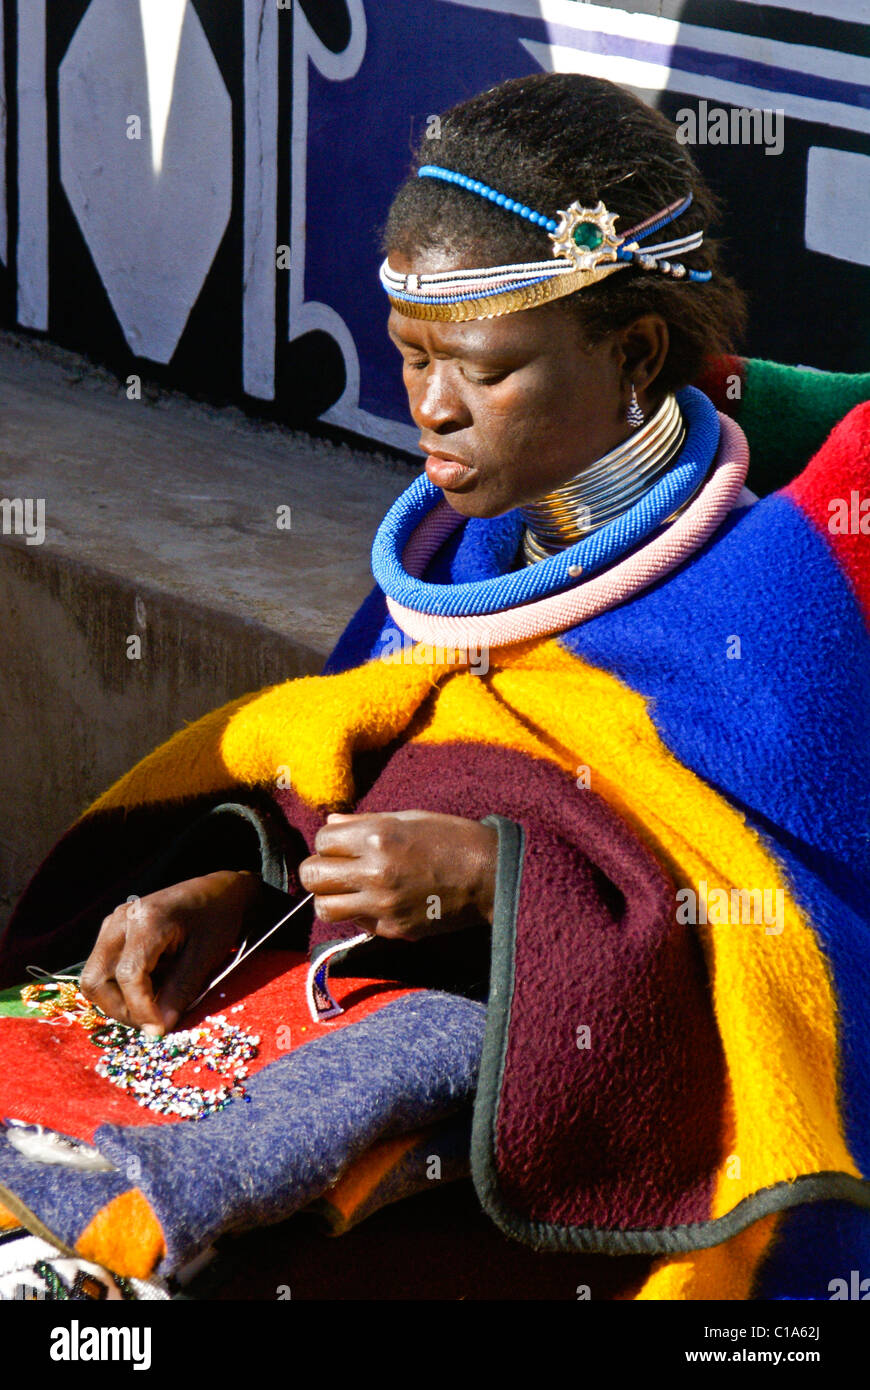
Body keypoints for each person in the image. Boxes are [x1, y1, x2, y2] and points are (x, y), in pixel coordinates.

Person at [1, 73, 868, 1303]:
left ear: (630, 353)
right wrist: (238, 896)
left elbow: (799, 951)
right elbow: (336, 781)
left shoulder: (770, 602)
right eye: (410, 357)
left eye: (479, 367)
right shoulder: (449, 571)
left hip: (567, 1161)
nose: (431, 409)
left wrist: (497, 881)